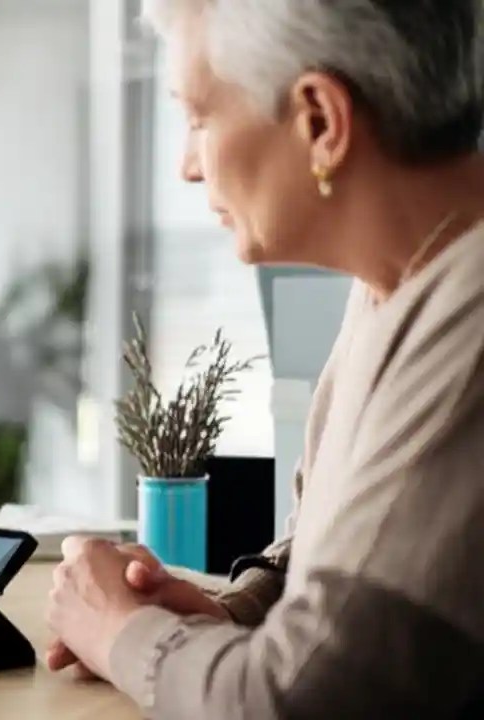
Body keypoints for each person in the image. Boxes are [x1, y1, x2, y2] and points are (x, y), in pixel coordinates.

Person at [45, 0, 484, 716]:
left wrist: (120, 629)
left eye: (198, 118)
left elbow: (304, 697)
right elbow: (339, 553)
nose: (188, 167)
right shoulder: (394, 279)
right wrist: (233, 611)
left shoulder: (470, 332)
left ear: (319, 120)